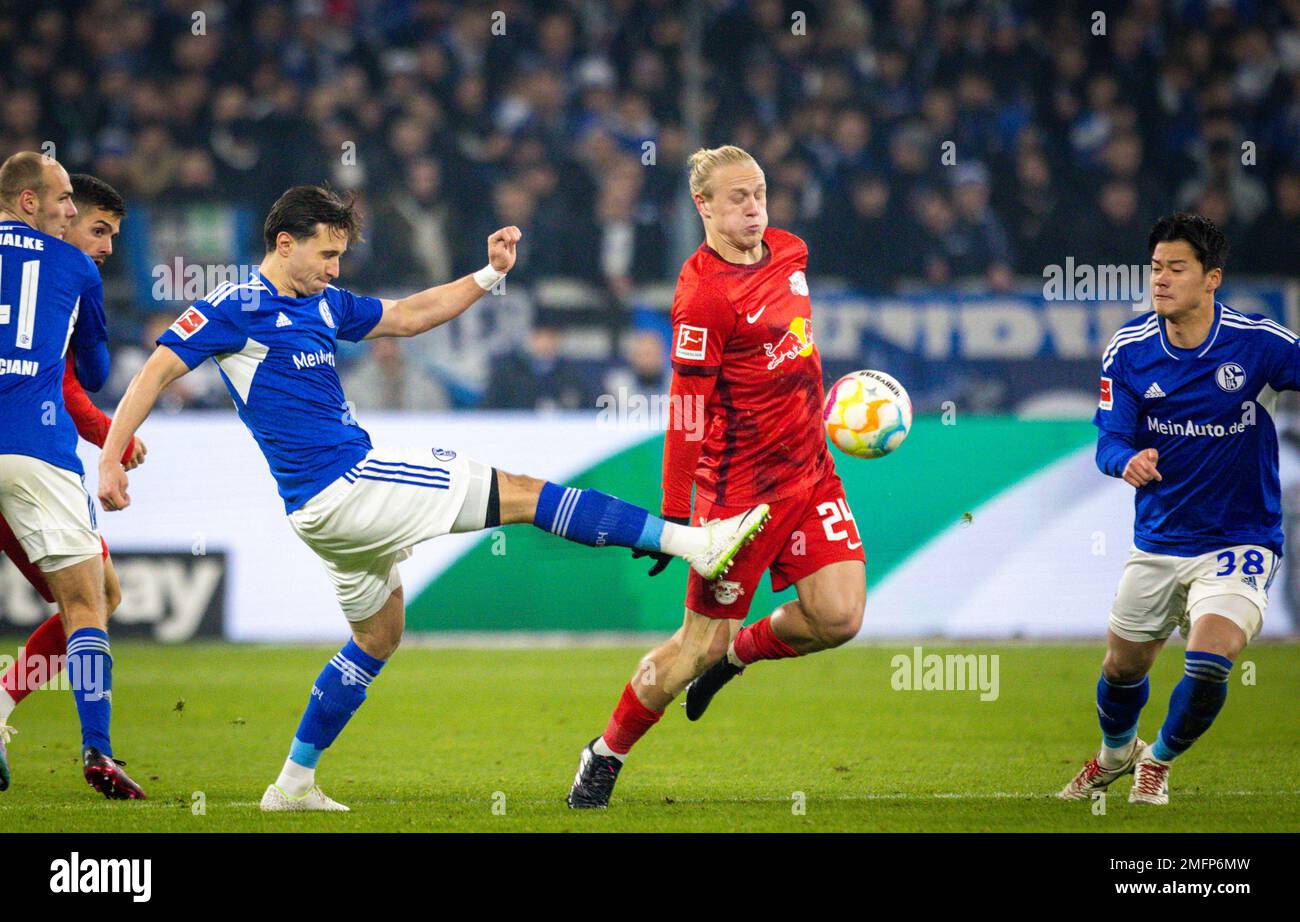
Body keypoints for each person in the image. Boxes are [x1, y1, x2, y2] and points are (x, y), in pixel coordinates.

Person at [96, 184, 770, 811]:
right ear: (284, 243)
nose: (333, 268)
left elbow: (411, 315)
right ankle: (693, 542)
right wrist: (112, 458)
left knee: (379, 636)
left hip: (321, 512)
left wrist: (488, 275)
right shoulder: (233, 307)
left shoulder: (324, 305)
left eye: (338, 255)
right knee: (527, 494)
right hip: (345, 486)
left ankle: (293, 783)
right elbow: (157, 368)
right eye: (325, 254)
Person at [567, 145, 866, 809]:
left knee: (839, 616)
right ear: (703, 205)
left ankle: (737, 659)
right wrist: (673, 517)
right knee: (695, 647)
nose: (754, 208)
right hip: (739, 498)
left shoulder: (791, 253)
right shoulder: (702, 298)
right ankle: (606, 753)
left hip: (812, 473)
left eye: (759, 193)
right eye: (737, 198)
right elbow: (686, 412)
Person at [1060, 213, 1296, 805]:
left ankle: (1158, 761)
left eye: (1176, 269)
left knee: (1211, 659)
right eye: (1156, 268)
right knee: (1121, 669)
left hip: (1241, 538)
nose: (1160, 280)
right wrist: (1126, 462)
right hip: (1160, 539)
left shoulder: (1259, 342)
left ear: (1211, 278)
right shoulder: (1131, 349)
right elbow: (1109, 440)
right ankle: (1117, 754)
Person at [0, 152, 144, 799]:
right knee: (91, 604)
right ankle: (99, 752)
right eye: (89, 223)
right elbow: (87, 375)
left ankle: (1, 703)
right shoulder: (71, 268)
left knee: (101, 593)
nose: (104, 245)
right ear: (37, 205)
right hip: (32, 451)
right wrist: (115, 440)